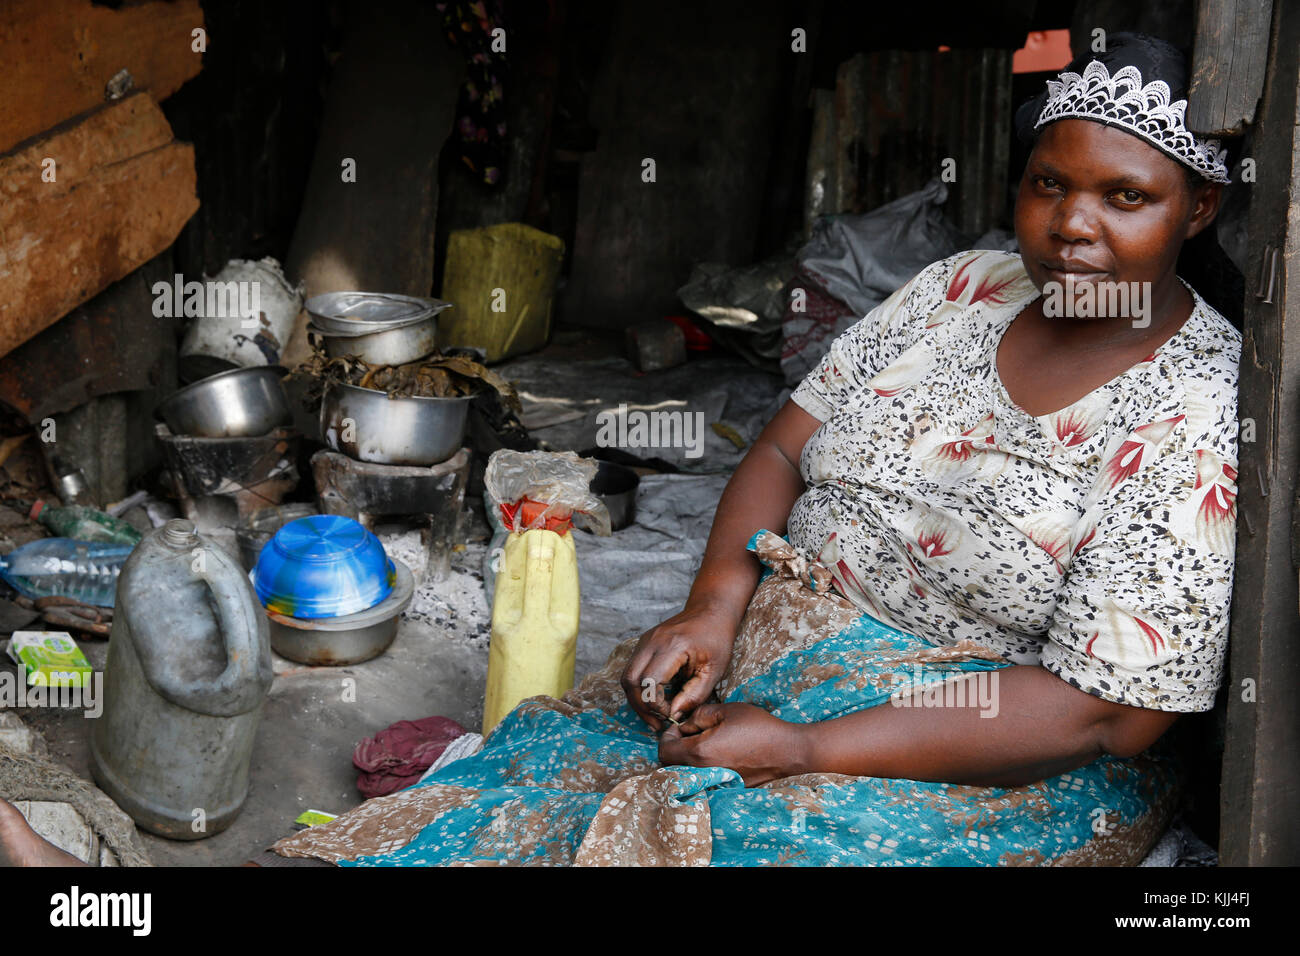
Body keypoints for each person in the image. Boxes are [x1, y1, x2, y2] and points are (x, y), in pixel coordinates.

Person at [0, 33, 1238, 867]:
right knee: (535, 782)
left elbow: (1098, 717)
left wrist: (807, 744)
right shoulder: (965, 287)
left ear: (1199, 209)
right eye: (1045, 186)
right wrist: (711, 608)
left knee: (700, 834)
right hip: (792, 662)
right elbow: (779, 449)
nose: (1070, 227)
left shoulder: (1188, 412)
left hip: (979, 751)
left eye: (1124, 198)